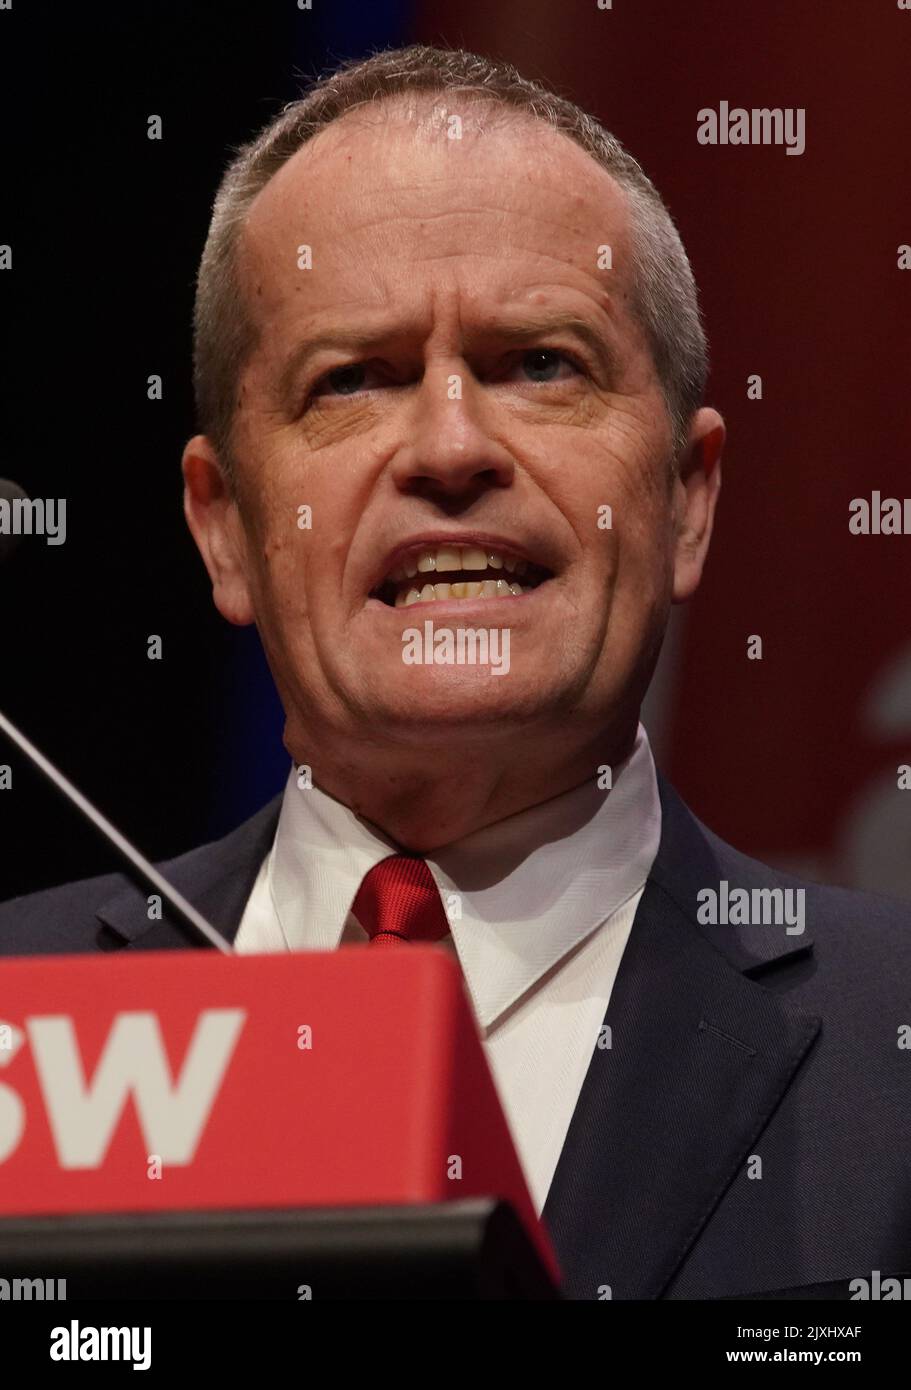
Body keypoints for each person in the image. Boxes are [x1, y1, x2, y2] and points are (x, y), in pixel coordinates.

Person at [2, 45, 909, 1300]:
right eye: (351, 379)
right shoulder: (17, 1013)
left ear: (686, 501)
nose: (448, 445)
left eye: (539, 364)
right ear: (224, 529)